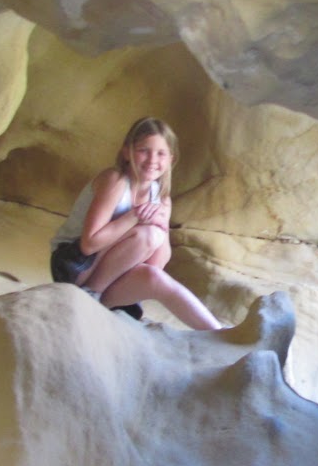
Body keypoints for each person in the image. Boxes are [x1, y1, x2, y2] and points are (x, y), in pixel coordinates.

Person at [50, 117, 224, 331]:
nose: (152, 159)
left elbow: (155, 264)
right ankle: (90, 296)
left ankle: (222, 334)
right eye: (144, 150)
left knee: (155, 277)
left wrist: (162, 226)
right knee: (148, 235)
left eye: (161, 153)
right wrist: (134, 217)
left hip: (109, 275)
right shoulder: (115, 180)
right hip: (74, 265)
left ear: (171, 158)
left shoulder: (161, 198)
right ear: (126, 152)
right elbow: (88, 244)